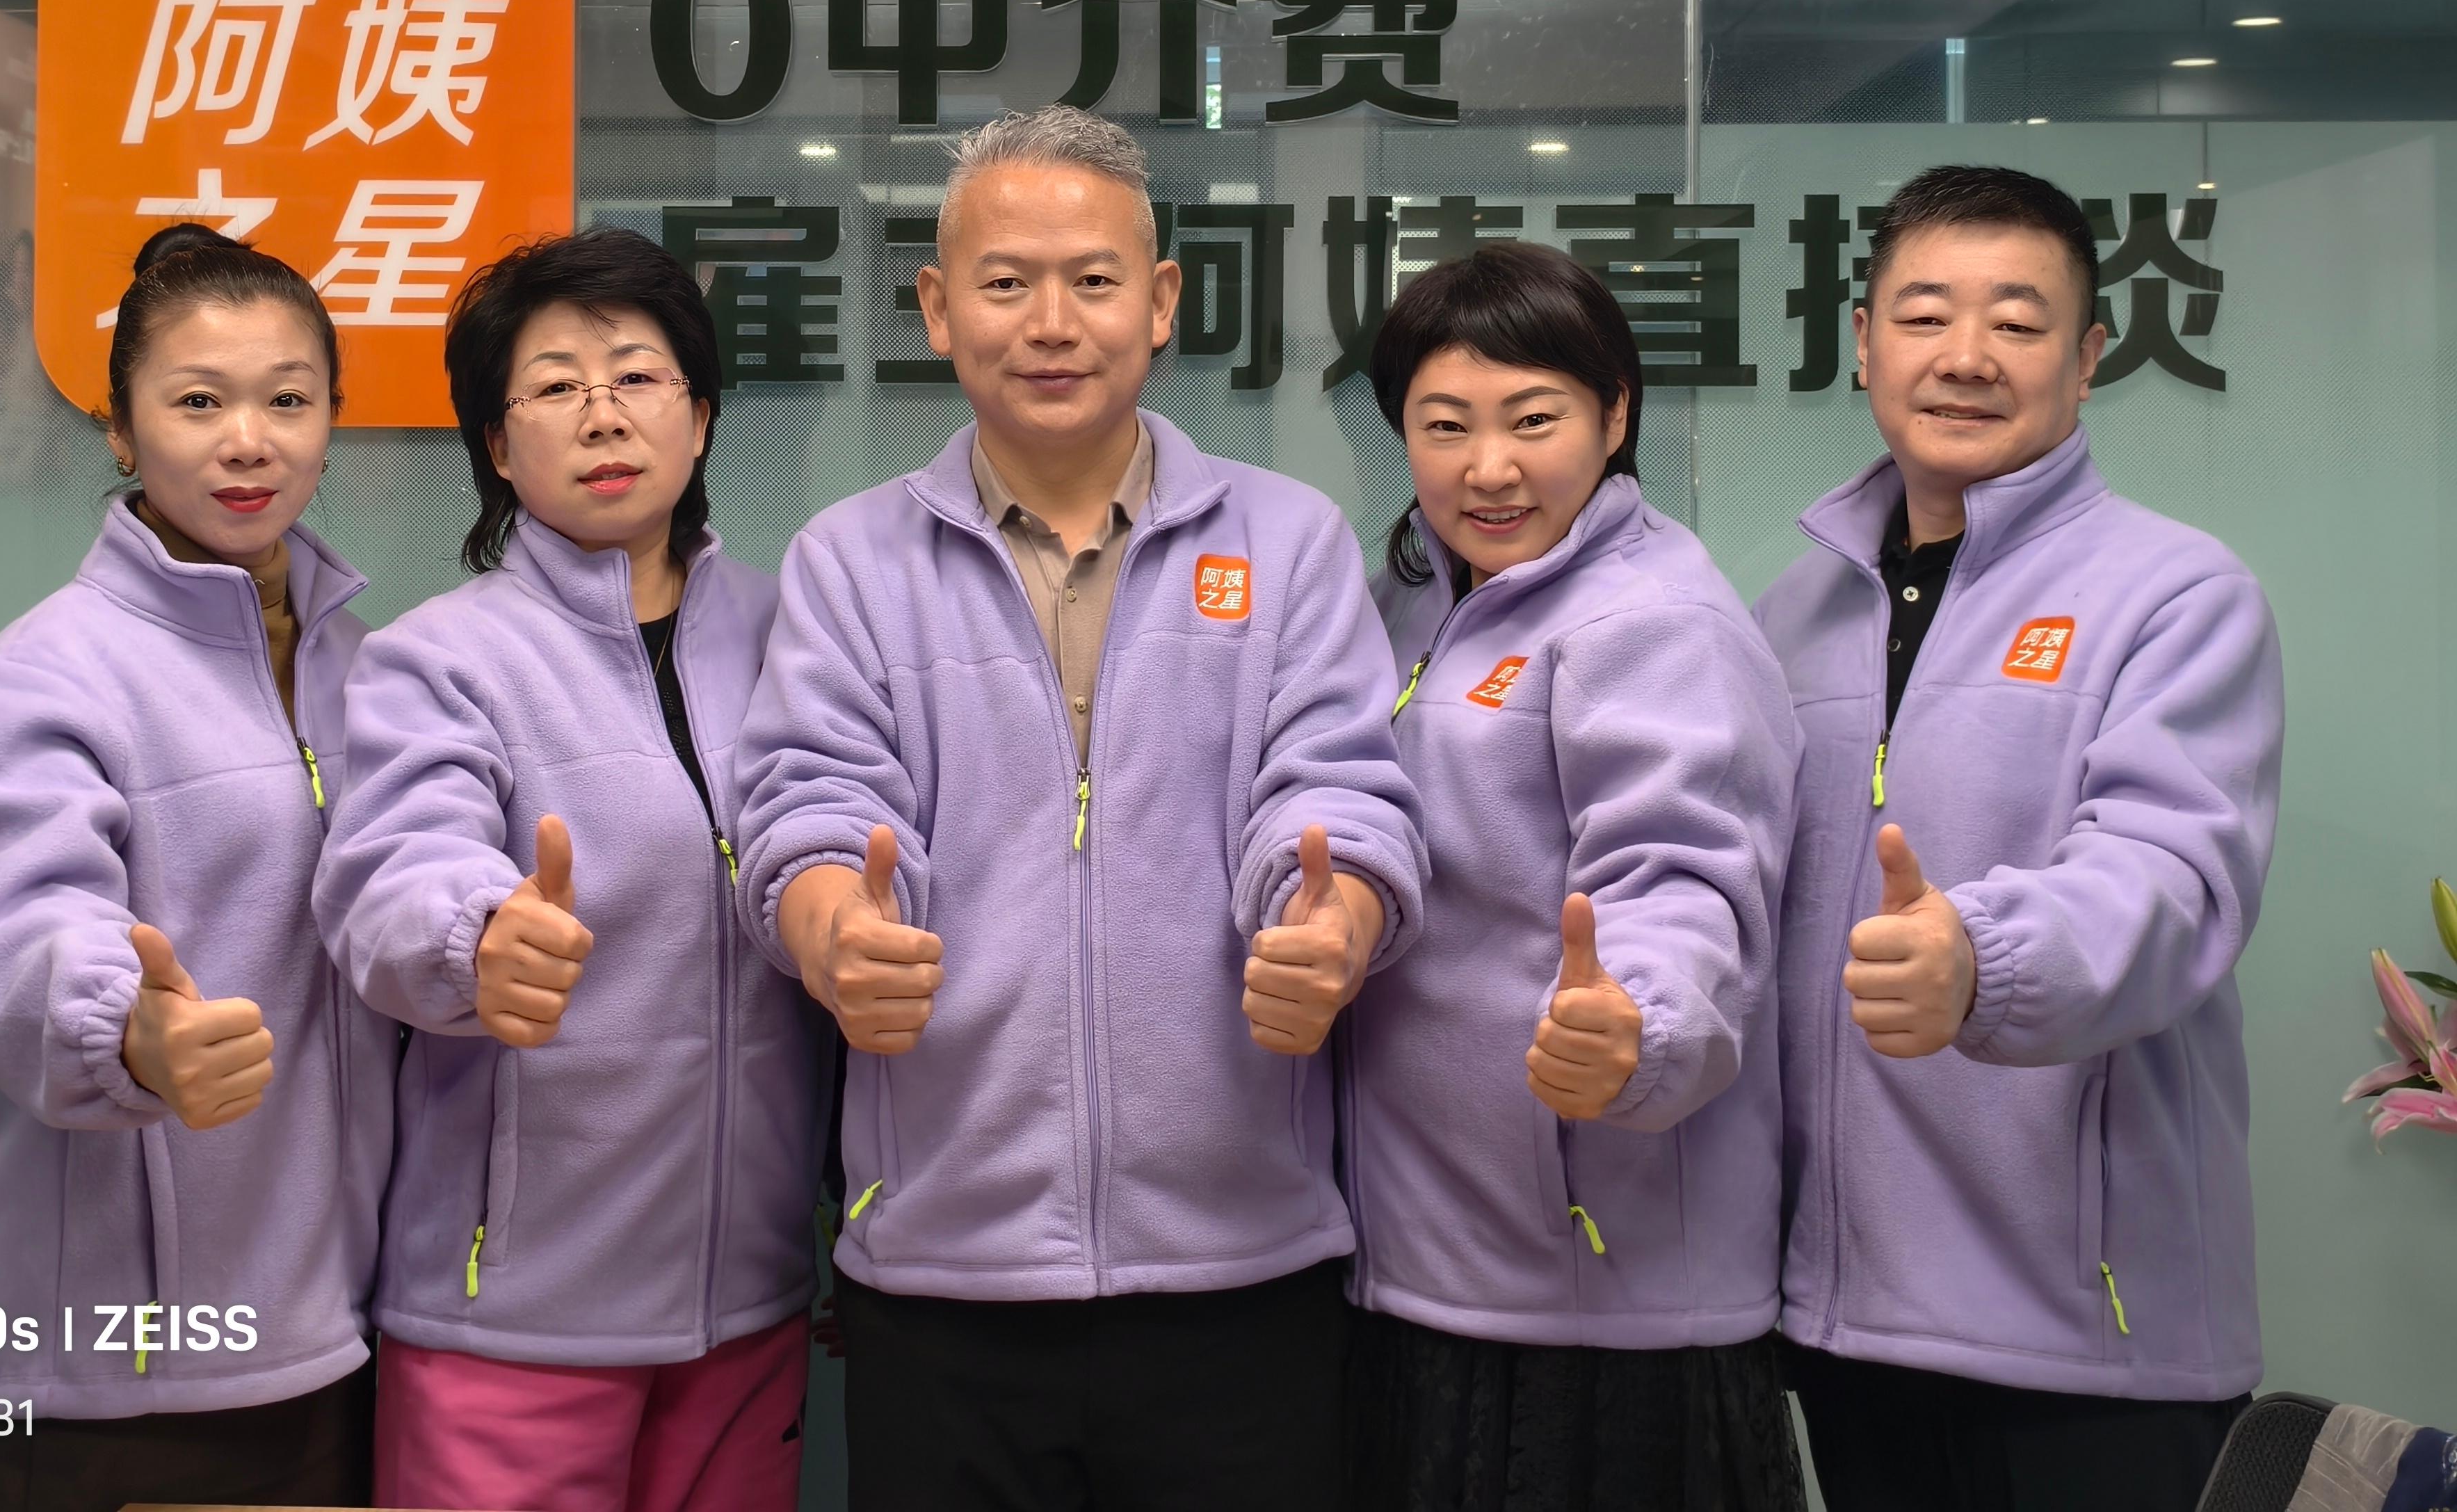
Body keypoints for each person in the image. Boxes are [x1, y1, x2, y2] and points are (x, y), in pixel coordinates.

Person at [728, 104, 1428, 1512]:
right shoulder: (850, 560)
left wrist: (1334, 923)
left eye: (1093, 281)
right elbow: (810, 800)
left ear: (1159, 302)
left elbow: (1337, 788)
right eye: (1005, 282)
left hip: (1243, 1267)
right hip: (943, 1270)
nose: (1051, 323)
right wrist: (832, 929)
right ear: (938, 310)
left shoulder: (1286, 541)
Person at [1752, 165, 2282, 1512]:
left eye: (2018, 321)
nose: (1966, 356)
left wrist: (1981, 959)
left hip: (2086, 1339)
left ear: (2089, 356)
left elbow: (2172, 881)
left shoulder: (2174, 594)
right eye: (1925, 315)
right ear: (1862, 339)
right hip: (1846, 1321)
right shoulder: (1795, 613)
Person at [314, 226, 828, 1512]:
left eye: (639, 376)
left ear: (700, 418)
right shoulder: (440, 659)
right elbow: (390, 872)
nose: (603, 414)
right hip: (511, 1317)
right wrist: (476, 935)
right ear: (498, 445)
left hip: (749, 1306)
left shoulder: (796, 634)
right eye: (554, 386)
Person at [0, 223, 393, 1512]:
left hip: (348, 1324)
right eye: (198, 402)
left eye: (288, 401)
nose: (249, 441)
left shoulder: (370, 669)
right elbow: (23, 929)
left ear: (331, 422)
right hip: (134, 1373)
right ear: (121, 430)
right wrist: (129, 1031)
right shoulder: (47, 675)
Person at [1344, 242, 1806, 1512]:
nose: (1489, 467)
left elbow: (1685, 877)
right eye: (1445, 425)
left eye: (1533, 420)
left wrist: (1639, 1026)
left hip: (1605, 1309)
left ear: (1615, 415)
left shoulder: (1652, 619)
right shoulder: (1413, 605)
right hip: (1428, 1269)